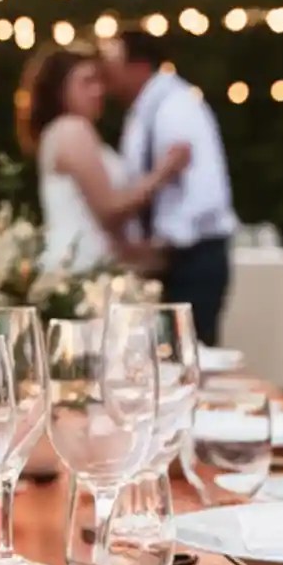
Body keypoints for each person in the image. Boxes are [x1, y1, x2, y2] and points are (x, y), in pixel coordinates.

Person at [101, 31, 238, 346]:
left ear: (139, 66)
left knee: (189, 353)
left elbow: (204, 192)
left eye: (113, 61)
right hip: (169, 258)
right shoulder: (143, 111)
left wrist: (162, 245)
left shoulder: (177, 106)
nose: (105, 71)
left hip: (193, 256)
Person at [16, 44, 191, 274]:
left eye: (99, 81)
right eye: (86, 82)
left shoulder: (65, 132)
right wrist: (164, 172)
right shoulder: (72, 130)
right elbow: (109, 208)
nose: (98, 90)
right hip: (81, 266)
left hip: (95, 265)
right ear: (59, 89)